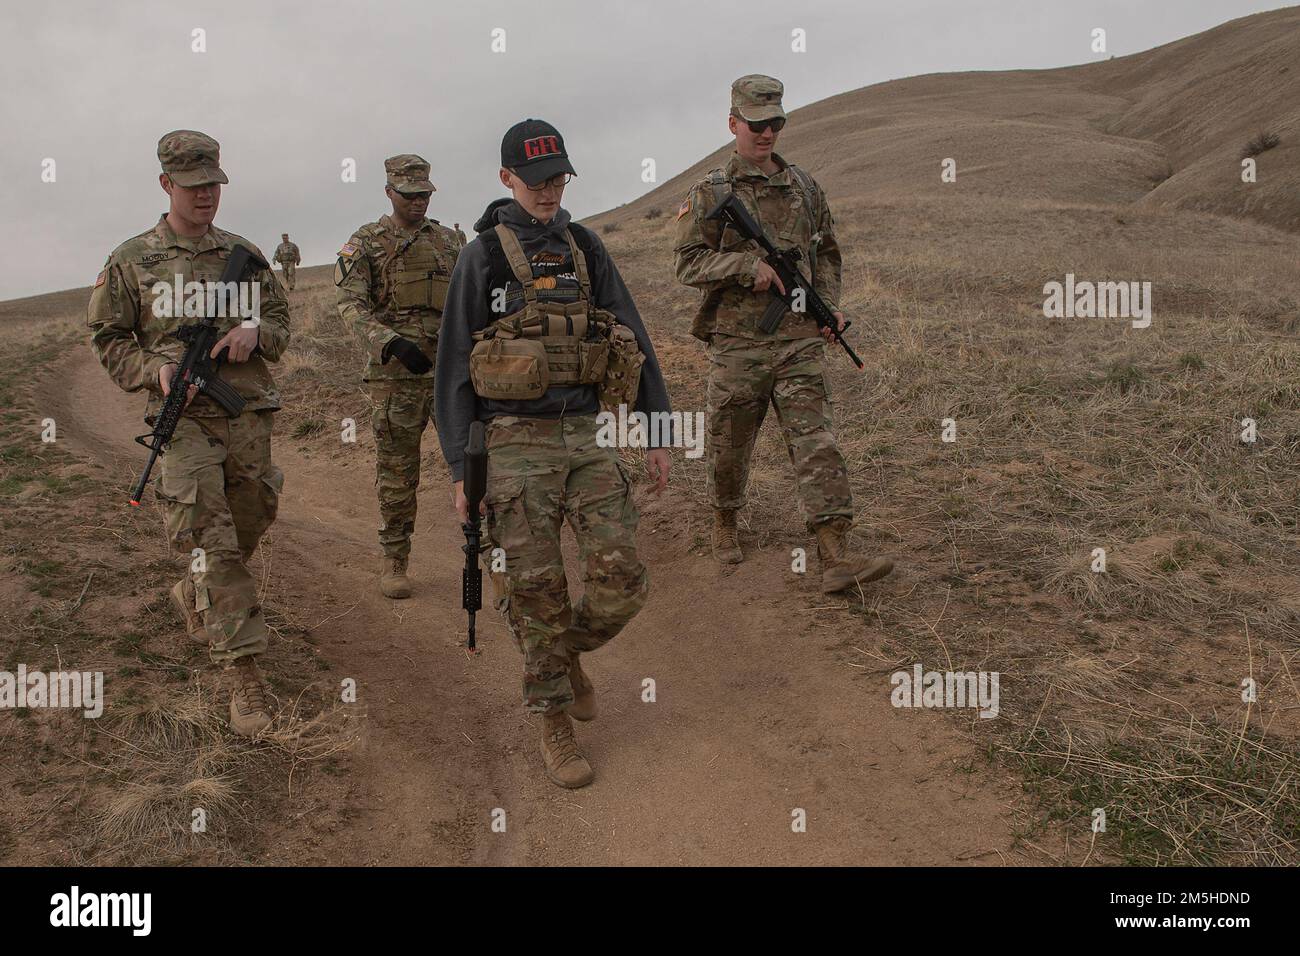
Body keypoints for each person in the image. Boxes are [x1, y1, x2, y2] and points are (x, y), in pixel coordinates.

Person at [435, 119, 672, 788]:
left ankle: (563, 654)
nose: (549, 191)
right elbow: (454, 367)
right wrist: (463, 467)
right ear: (507, 178)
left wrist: (655, 430)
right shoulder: (480, 256)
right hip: (512, 442)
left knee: (621, 580)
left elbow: (633, 333)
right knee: (535, 589)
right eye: (537, 180)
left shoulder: (584, 246)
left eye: (558, 178)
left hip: (588, 433)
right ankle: (554, 721)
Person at [88, 130, 291, 736]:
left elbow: (280, 317)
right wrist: (154, 370)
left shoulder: (245, 254)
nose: (207, 198)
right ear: (165, 184)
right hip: (183, 422)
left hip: (247, 412)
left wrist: (257, 332)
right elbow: (107, 338)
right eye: (194, 187)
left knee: (252, 517)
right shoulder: (131, 260)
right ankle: (245, 675)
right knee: (213, 540)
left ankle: (192, 591)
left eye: (214, 186)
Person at [674, 75, 894, 593]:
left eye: (774, 122)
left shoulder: (805, 187)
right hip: (738, 344)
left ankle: (834, 549)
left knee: (816, 442)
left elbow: (828, 253)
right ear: (733, 124)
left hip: (798, 340)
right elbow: (687, 263)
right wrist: (743, 267)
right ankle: (725, 521)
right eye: (756, 123)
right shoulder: (711, 191)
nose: (766, 132)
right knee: (731, 441)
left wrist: (829, 307)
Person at [336, 155, 461, 598]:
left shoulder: (450, 242)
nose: (418, 202)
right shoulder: (366, 243)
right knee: (397, 471)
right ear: (389, 192)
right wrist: (390, 342)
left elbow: (472, 301)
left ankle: (493, 556)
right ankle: (395, 558)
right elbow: (350, 306)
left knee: (473, 464)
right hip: (395, 378)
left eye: (424, 194)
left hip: (450, 375)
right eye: (409, 195)